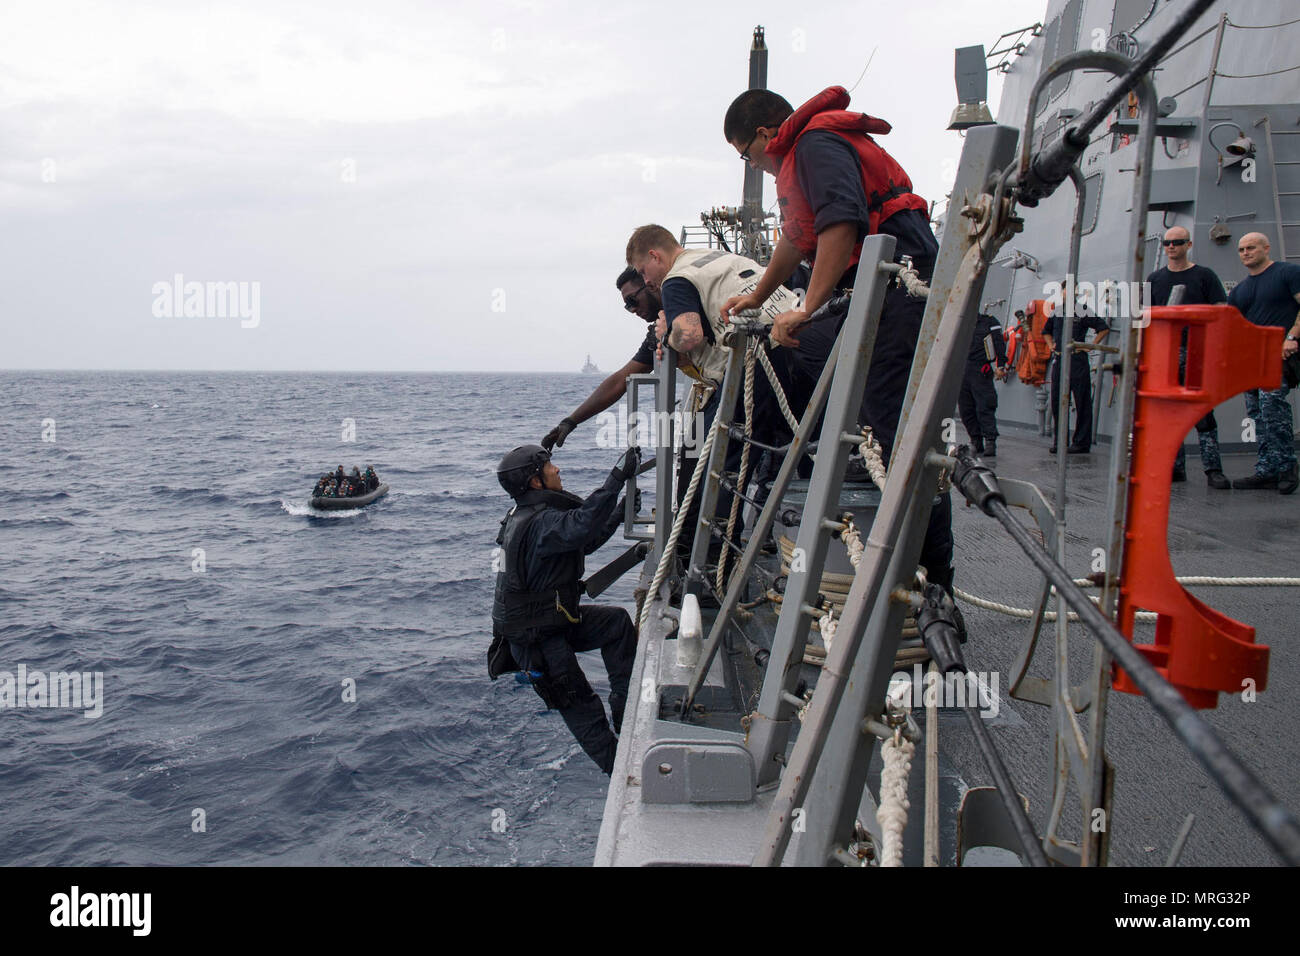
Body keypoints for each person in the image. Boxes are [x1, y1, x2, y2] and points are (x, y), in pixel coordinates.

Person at [719, 85, 954, 593]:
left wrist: (807, 307)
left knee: (896, 433)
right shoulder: (807, 152)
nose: (752, 165)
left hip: (898, 286)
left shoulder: (814, 147)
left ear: (764, 135)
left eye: (746, 154)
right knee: (811, 360)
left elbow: (841, 223)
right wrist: (758, 298)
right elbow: (798, 237)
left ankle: (934, 588)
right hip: (876, 288)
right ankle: (829, 456)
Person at [626, 224, 799, 560]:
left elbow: (688, 336)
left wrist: (667, 336)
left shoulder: (678, 278)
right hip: (800, 341)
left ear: (654, 255)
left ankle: (709, 563)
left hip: (762, 362)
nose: (646, 281)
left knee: (717, 470)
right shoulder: (725, 259)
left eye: (643, 271)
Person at [488, 443, 641, 775]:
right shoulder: (540, 522)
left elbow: (581, 542)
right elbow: (583, 524)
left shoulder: (531, 518)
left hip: (552, 621)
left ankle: (626, 708)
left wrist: (618, 513)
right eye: (549, 467)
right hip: (538, 641)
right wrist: (617, 477)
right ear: (535, 482)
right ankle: (624, 775)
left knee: (616, 624)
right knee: (583, 708)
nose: (557, 470)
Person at [540, 268, 662, 451]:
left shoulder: (688, 302)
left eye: (632, 300)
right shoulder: (657, 334)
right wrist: (571, 421)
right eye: (628, 306)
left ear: (651, 285)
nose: (633, 309)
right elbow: (619, 381)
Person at [1146, 226, 1231, 488]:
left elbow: (1221, 311)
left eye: (1178, 242)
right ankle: (1175, 466)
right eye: (1168, 243)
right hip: (1164, 354)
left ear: (1189, 244)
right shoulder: (1154, 279)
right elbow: (1144, 318)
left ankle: (1213, 469)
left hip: (1196, 351)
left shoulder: (1204, 276)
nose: (1171, 246)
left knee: (1202, 413)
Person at [1227, 232, 1300, 494]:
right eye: (1242, 249)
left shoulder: (1287, 273)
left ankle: (1287, 467)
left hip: (1279, 355)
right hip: (1251, 360)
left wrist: (1292, 337)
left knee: (1273, 409)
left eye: (1251, 248)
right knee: (1257, 414)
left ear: (1266, 248)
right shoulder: (1240, 290)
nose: (1246, 253)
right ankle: (1267, 469)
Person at [1043, 284, 1109, 453]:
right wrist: (1051, 345)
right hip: (1059, 359)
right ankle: (1060, 442)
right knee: (1057, 401)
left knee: (1082, 402)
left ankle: (1081, 443)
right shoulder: (1056, 311)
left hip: (1077, 361)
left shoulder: (1083, 310)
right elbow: (1046, 331)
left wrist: (1090, 346)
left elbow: (1103, 328)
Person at [959, 312, 1008, 457]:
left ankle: (990, 441)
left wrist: (1001, 365)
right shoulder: (959, 322)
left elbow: (999, 342)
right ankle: (976, 440)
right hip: (962, 369)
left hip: (981, 369)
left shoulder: (989, 322)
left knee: (985, 406)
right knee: (966, 409)